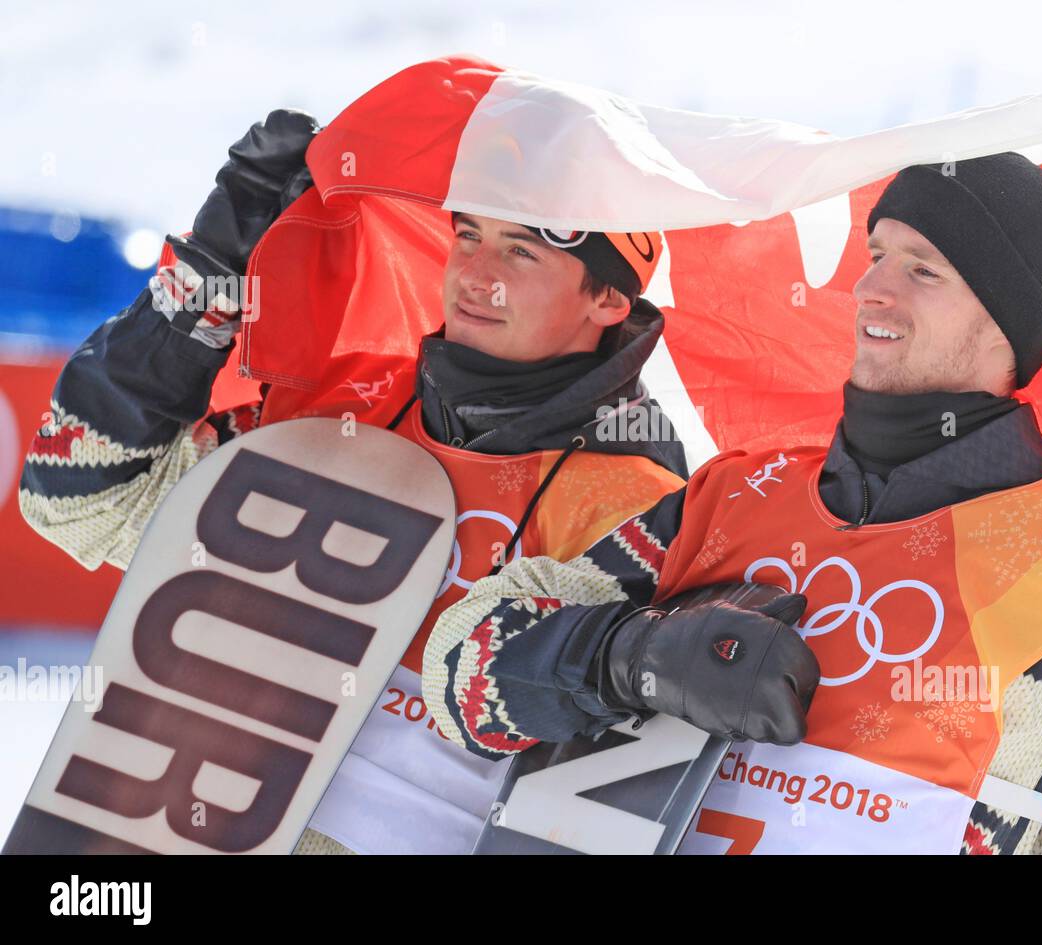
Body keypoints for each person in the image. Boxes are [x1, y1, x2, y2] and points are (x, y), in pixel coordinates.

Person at [424, 152, 1042, 855]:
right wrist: (626, 656)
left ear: (1006, 324)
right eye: (878, 252)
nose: (872, 288)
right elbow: (459, 673)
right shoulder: (731, 495)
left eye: (925, 270)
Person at [18, 110, 689, 855]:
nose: (473, 275)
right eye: (467, 235)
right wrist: (207, 273)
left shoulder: (639, 503)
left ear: (609, 301)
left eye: (520, 253)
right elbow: (79, 497)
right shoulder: (345, 405)